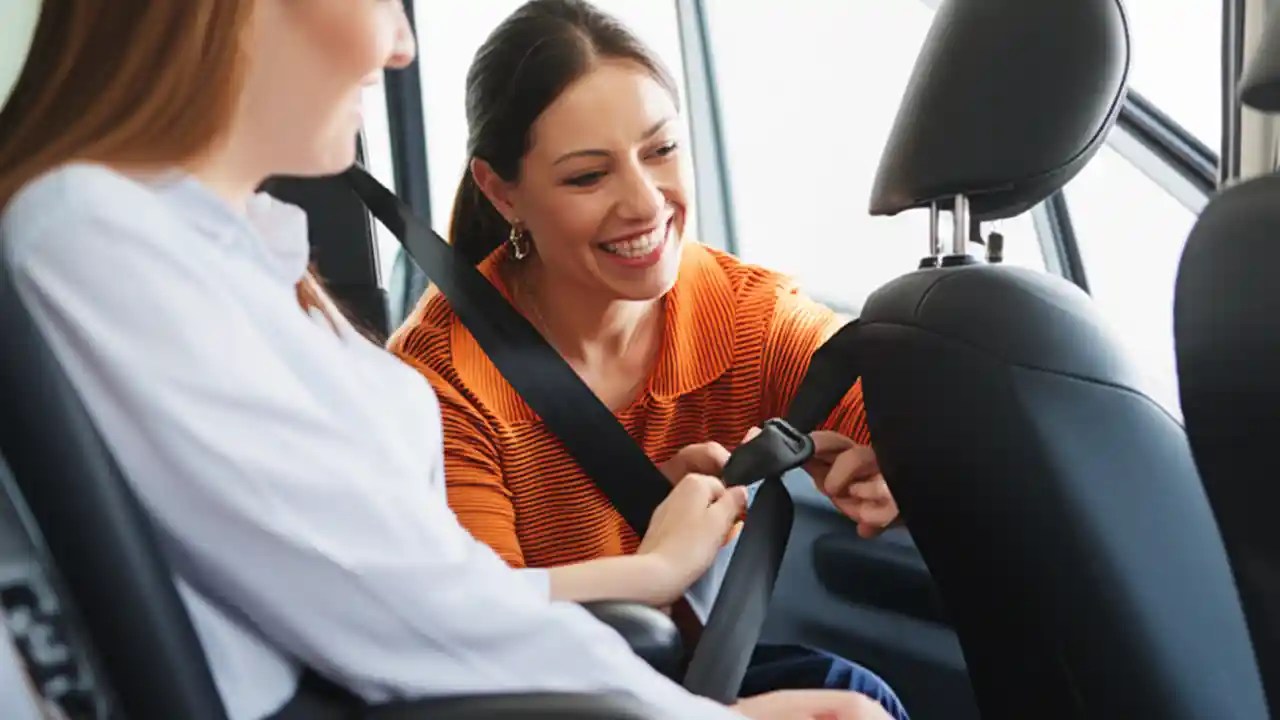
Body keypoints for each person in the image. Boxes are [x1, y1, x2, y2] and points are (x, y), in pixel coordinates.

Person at [0, 1, 891, 720]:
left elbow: (411, 589)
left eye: (660, 148)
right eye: (379, 0)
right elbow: (390, 601)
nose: (398, 42)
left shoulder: (239, 259)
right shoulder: (100, 237)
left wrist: (884, 459)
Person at [387, 1, 906, 718]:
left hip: (671, 675)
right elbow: (483, 636)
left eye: (661, 152)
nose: (644, 203)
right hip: (534, 698)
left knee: (853, 691)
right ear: (503, 193)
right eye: (587, 177)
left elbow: (895, 416)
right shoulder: (441, 377)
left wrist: (891, 470)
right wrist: (650, 567)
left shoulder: (739, 313)